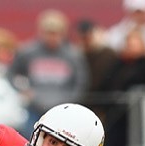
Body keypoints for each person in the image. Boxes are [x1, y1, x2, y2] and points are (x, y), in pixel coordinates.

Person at [6, 9, 88, 137]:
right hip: (35, 108)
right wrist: (23, 90)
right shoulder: (28, 51)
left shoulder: (73, 55)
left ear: (63, 33)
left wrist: (69, 101)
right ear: (41, 32)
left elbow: (81, 82)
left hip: (62, 111)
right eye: (48, 33)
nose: (52, 37)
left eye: (56, 33)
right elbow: (11, 73)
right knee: (29, 142)